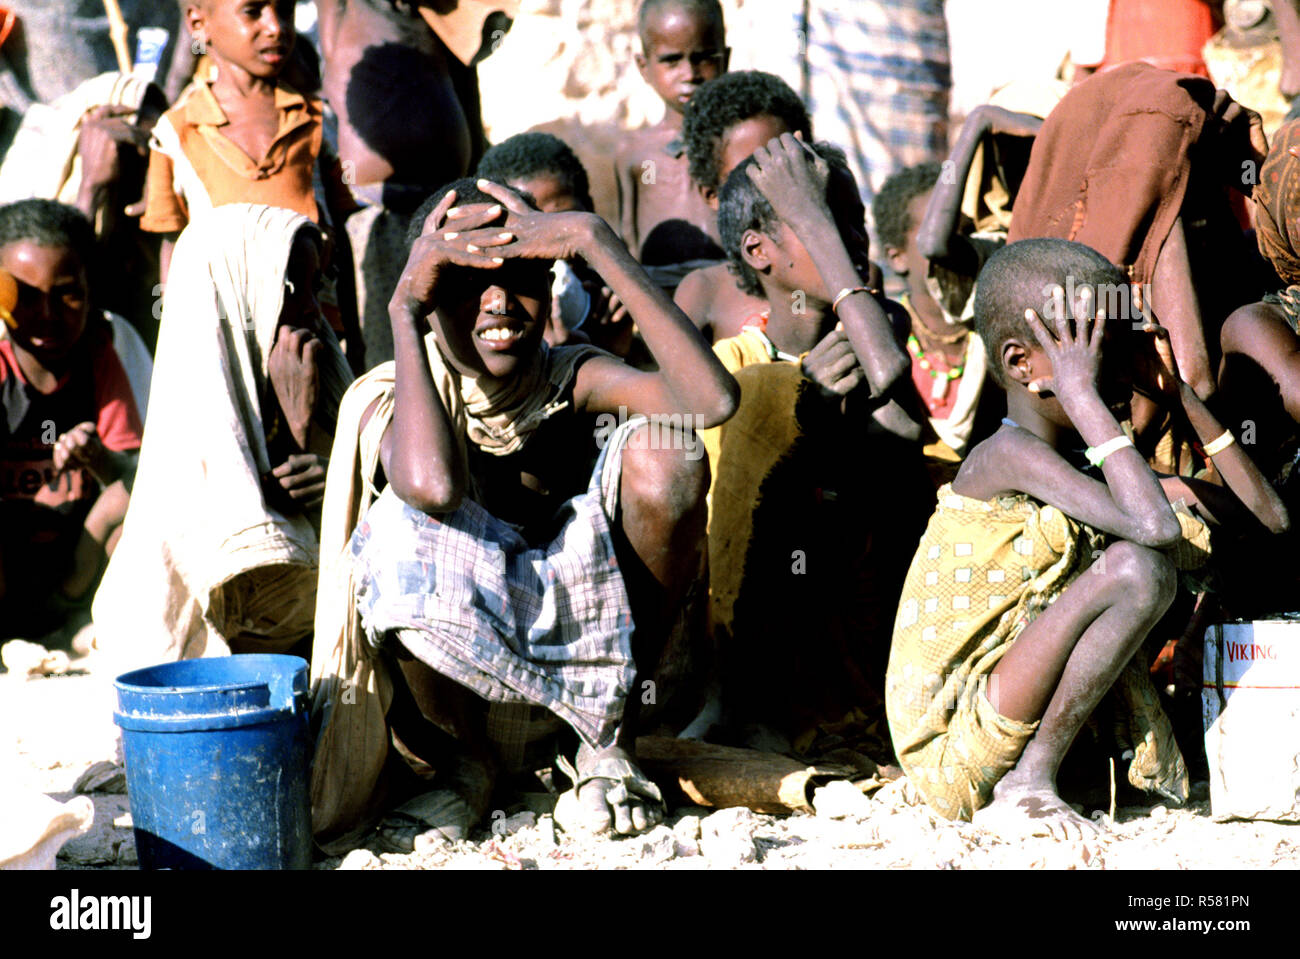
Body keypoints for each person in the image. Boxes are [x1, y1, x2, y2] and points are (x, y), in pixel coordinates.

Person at [341, 176, 737, 840]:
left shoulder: (569, 377)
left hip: (594, 687)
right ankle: (465, 770)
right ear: (430, 292)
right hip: (460, 705)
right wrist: (402, 313)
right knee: (397, 528)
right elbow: (432, 486)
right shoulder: (398, 394)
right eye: (466, 280)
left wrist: (592, 238)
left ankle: (611, 747)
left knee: (669, 451)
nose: (499, 301)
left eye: (524, 275)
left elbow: (712, 402)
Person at [886, 238, 1286, 838]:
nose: (1118, 371)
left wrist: (1184, 397)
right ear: (1024, 365)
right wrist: (1079, 390)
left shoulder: (1087, 467)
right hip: (953, 747)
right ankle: (1027, 783)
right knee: (1140, 571)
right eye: (1093, 351)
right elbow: (1153, 530)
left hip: (1002, 710)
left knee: (1145, 561)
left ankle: (1037, 773)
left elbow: (1268, 520)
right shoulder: (1007, 456)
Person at [699, 135, 928, 749]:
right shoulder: (732, 366)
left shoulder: (883, 331)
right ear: (759, 251)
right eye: (818, 221)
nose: (849, 238)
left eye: (850, 221)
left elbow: (903, 425)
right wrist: (808, 404)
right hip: (763, 632)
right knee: (772, 396)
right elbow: (736, 526)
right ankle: (741, 706)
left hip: (869, 623)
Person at [92, 204, 353, 668]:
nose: (313, 311)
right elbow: (255, 589)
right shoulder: (196, 408)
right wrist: (295, 432)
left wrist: (318, 445)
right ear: (236, 296)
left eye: (317, 287)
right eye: (290, 290)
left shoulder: (316, 371)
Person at [139, 0, 362, 366]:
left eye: (286, 10)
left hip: (315, 334)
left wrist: (356, 335)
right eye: (253, 11)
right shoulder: (176, 132)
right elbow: (172, 251)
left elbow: (343, 237)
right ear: (198, 21)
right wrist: (177, 351)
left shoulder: (317, 119)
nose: (276, 27)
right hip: (225, 343)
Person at [0, 199, 141, 640]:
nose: (46, 314)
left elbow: (133, 480)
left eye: (67, 293)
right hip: (10, 566)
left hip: (78, 566)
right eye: (25, 296)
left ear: (90, 287)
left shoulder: (99, 355)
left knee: (131, 505)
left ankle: (89, 623)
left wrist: (98, 457)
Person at [874, 162, 1001, 484]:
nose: (955, 244)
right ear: (896, 256)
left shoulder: (999, 339)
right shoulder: (880, 334)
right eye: (939, 230)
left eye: (964, 231)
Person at [674, 70, 812, 343]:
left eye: (785, 161)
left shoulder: (847, 275)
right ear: (713, 195)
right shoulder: (704, 292)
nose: (775, 182)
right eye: (755, 171)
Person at [477, 131, 633, 355]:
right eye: (527, 236)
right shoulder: (493, 312)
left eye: (561, 230)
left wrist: (614, 352)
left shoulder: (618, 303)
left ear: (588, 211)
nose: (553, 256)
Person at [614, 0, 729, 271]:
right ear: (644, 67)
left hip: (733, 296)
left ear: (725, 59)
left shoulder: (741, 144)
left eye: (703, 57)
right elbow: (629, 242)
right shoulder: (635, 154)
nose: (689, 74)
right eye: (671, 60)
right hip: (661, 298)